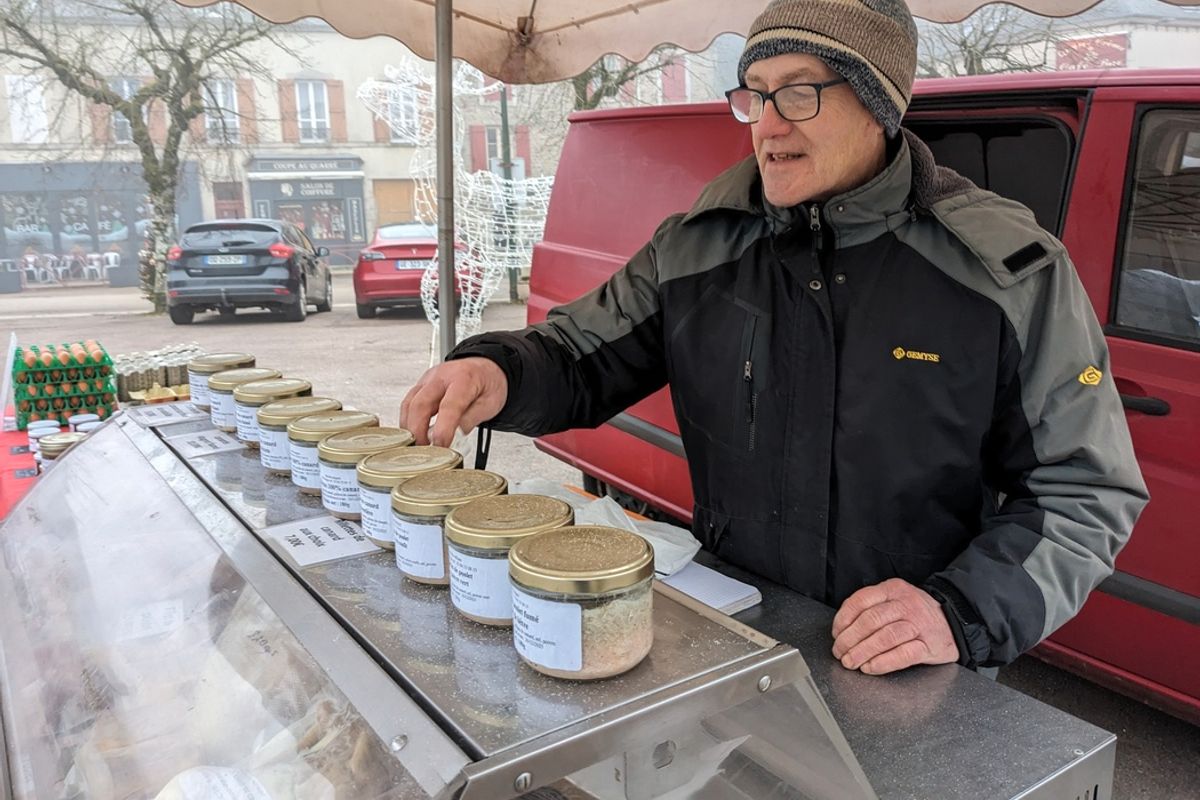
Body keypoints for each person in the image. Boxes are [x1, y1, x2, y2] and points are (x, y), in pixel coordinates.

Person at [400, 0, 1148, 676]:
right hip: (735, 640)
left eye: (799, 90)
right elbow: (576, 353)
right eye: (754, 93)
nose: (767, 122)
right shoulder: (700, 245)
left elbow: (1086, 490)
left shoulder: (1004, 272)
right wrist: (498, 371)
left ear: (879, 102)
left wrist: (959, 612)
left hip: (908, 670)